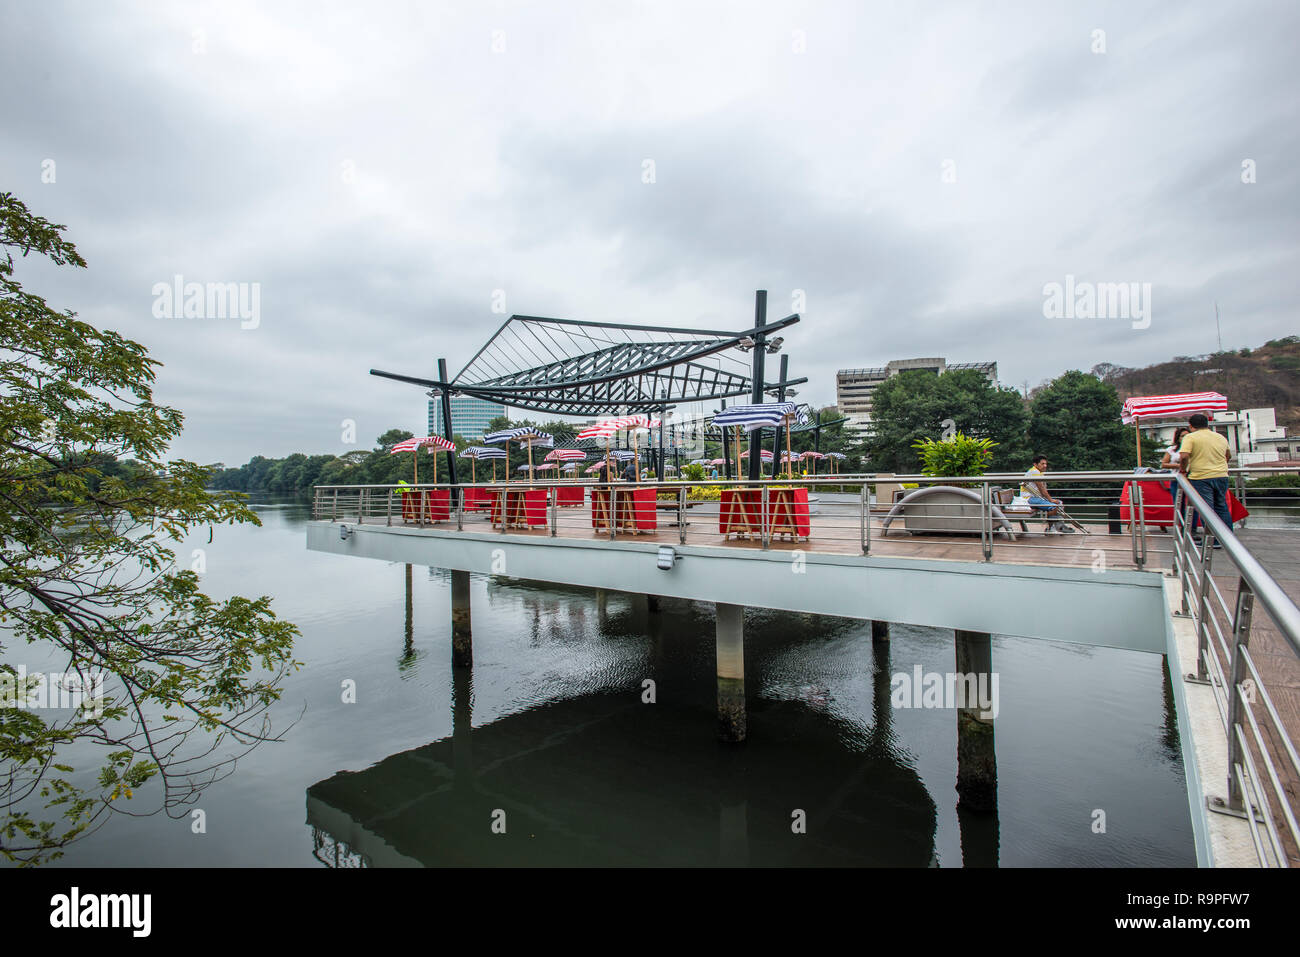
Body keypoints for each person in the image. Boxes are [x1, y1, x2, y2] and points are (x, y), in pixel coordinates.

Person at [1179, 414, 1232, 542]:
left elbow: (1184, 456)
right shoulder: (1220, 437)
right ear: (1207, 424)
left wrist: (1183, 470)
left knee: (1206, 509)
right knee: (1221, 507)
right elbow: (1228, 455)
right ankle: (1228, 540)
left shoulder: (1190, 437)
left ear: (1190, 426)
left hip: (1200, 477)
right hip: (1221, 476)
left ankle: (1212, 541)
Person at [1020, 454, 1075, 534]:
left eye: (1046, 464)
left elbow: (1043, 489)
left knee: (1059, 503)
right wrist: (1050, 500)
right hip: (1028, 499)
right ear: (1035, 464)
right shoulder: (1034, 472)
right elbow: (1042, 489)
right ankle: (1052, 528)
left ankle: (1058, 526)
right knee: (1054, 506)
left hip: (1036, 498)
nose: (1045, 466)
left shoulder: (1039, 472)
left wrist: (1050, 500)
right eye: (1042, 464)